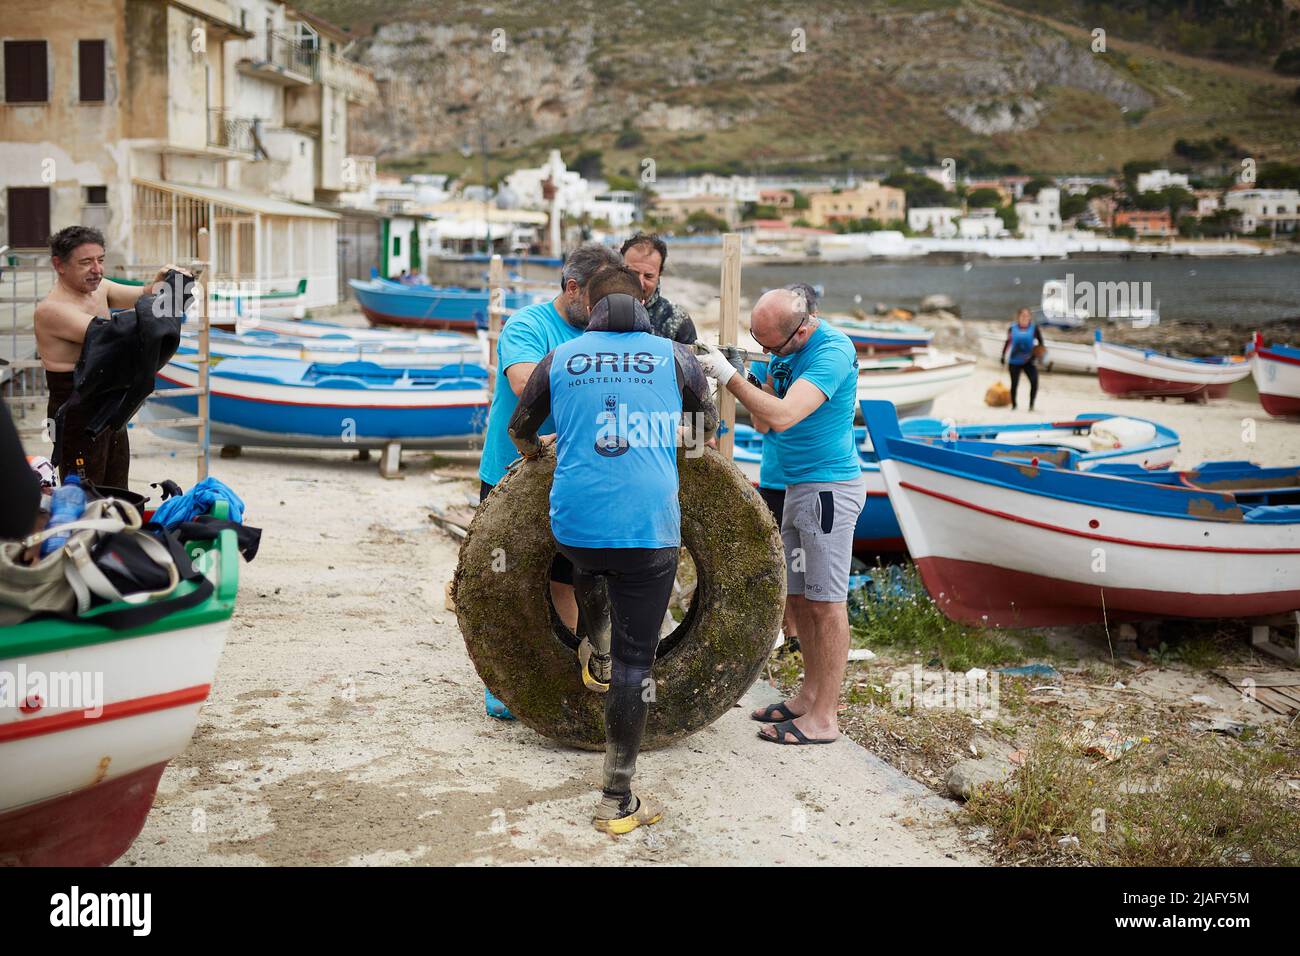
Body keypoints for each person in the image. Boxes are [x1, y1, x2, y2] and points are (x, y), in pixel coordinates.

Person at [508, 273, 716, 833]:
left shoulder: (559, 357)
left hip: (574, 521)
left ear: (592, 307)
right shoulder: (676, 357)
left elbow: (521, 430)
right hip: (648, 529)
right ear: (644, 306)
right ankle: (616, 797)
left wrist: (549, 447)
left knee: (590, 560)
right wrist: (661, 440)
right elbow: (706, 430)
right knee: (635, 666)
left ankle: (592, 644)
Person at [696, 288, 864, 746]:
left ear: (803, 328)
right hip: (795, 486)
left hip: (828, 488)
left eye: (771, 345)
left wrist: (730, 377)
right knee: (803, 598)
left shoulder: (831, 351)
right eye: (759, 341)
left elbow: (786, 415)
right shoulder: (783, 351)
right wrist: (748, 374)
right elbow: (765, 419)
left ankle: (825, 718)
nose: (767, 351)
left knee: (827, 603)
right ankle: (808, 697)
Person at [476, 242, 622, 716]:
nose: (605, 308)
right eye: (597, 297)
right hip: (511, 473)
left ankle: (556, 676)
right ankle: (504, 681)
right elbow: (524, 385)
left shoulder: (607, 328)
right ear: (573, 288)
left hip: (580, 477)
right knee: (506, 580)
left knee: (567, 577)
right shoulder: (528, 325)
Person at [34, 226, 189, 487]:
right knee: (84, 494)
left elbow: (147, 295)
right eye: (86, 262)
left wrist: (170, 284)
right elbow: (116, 336)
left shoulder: (101, 288)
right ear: (59, 265)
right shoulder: (51, 310)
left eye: (101, 260)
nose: (97, 269)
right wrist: (166, 300)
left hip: (110, 402)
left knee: (117, 487)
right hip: (74, 411)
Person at [751, 282, 823, 657]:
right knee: (779, 560)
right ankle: (784, 631)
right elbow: (766, 425)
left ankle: (796, 637)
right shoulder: (776, 362)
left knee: (809, 571)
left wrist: (772, 404)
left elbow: (785, 418)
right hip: (774, 475)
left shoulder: (820, 358)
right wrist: (762, 393)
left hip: (807, 479)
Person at [620, 233, 698, 344]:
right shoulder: (600, 312)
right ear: (619, 268)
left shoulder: (677, 319)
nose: (640, 283)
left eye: (648, 276)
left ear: (659, 275)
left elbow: (690, 360)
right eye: (633, 273)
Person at [1000, 307, 1044, 411]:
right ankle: (1014, 405)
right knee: (1014, 383)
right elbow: (1008, 342)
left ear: (1030, 317)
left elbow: (1041, 344)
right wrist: (1002, 356)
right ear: (1018, 317)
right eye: (1022, 315)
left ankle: (1031, 405)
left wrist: (1036, 356)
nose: (1025, 317)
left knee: (1034, 382)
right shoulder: (1012, 328)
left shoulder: (1034, 329)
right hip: (1014, 360)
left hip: (1029, 360)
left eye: (1027, 315)